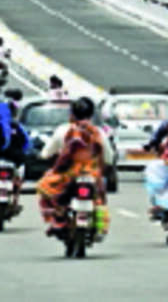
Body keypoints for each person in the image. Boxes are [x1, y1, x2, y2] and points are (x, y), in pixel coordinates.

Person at [36, 97, 113, 235]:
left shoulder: (63, 130)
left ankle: (57, 219)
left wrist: (46, 158)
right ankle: (100, 225)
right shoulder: (99, 133)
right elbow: (109, 158)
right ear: (91, 114)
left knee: (43, 186)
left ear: (71, 114)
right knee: (100, 199)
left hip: (69, 174)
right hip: (92, 174)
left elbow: (47, 153)